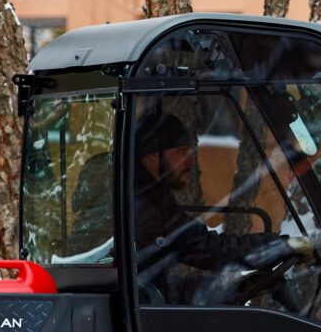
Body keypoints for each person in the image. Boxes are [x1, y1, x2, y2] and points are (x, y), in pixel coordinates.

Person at [133, 112, 311, 301]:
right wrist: (281, 246)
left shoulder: (147, 195)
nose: (190, 162)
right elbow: (211, 250)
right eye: (181, 152)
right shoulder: (144, 207)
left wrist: (235, 289)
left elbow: (165, 286)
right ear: (153, 155)